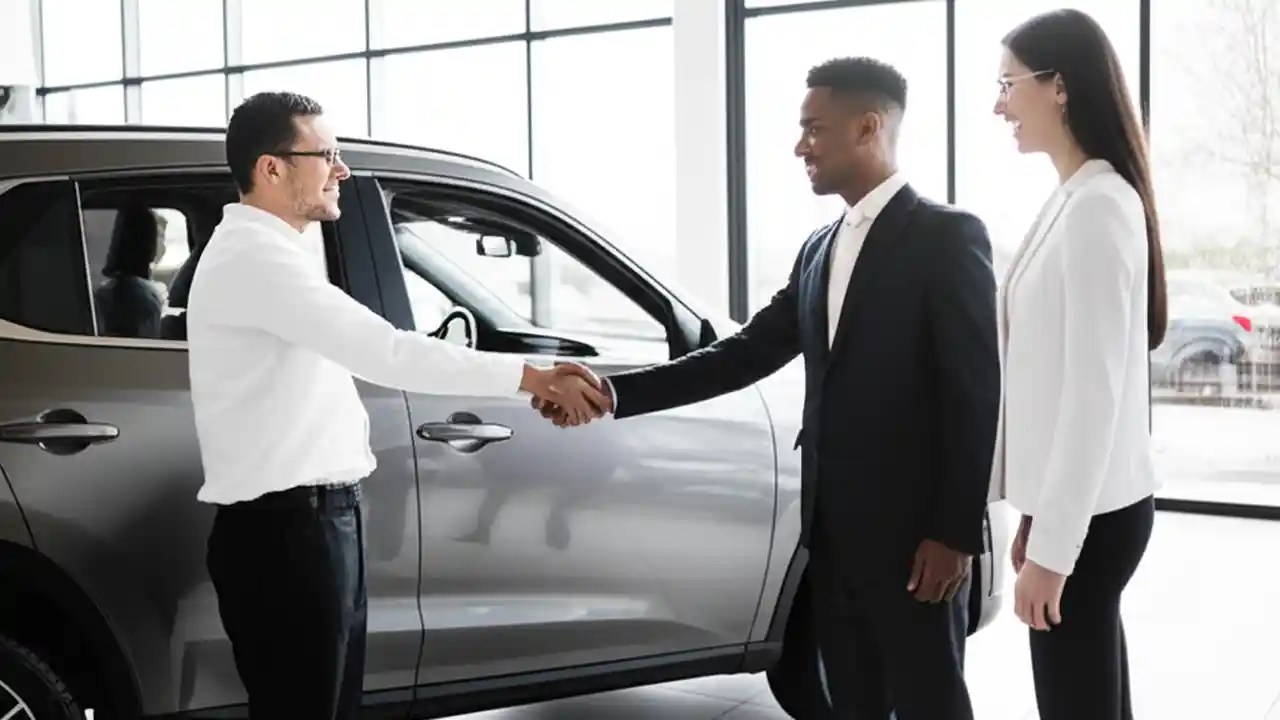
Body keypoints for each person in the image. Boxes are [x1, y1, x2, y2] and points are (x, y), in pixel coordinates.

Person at [537, 58, 1001, 720]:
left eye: (814, 128)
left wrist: (954, 534)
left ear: (868, 126)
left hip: (914, 542)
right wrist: (614, 394)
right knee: (854, 702)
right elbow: (744, 354)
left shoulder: (947, 236)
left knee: (931, 700)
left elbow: (975, 392)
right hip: (830, 536)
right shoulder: (818, 247)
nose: (799, 145)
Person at [185, 91, 605, 720]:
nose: (341, 169)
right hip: (288, 535)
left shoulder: (272, 251)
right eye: (325, 154)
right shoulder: (257, 258)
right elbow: (387, 353)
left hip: (304, 527)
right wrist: (534, 378)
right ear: (271, 168)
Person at [991, 9, 1166, 720]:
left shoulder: (1098, 208)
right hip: (1082, 511)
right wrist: (1037, 515)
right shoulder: (1077, 198)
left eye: (1008, 83)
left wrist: (1056, 551)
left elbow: (1090, 398)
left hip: (1094, 521)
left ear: (1058, 86)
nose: (997, 103)